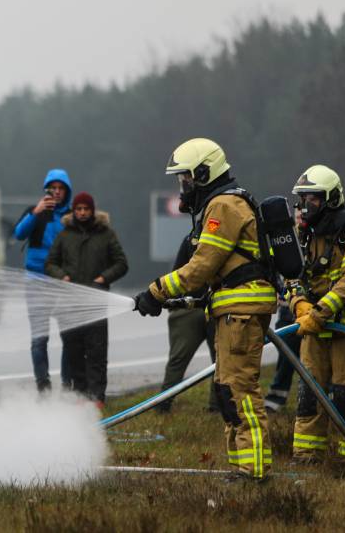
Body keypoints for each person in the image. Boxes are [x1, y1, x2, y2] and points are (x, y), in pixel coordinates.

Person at [134, 138, 277, 481]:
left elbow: (200, 266)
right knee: (228, 391)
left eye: (185, 179)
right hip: (232, 310)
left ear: (203, 173)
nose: (182, 186)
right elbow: (214, 272)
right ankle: (243, 467)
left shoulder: (224, 206)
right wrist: (180, 298)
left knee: (240, 391)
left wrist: (156, 291)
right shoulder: (220, 204)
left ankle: (254, 471)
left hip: (241, 311)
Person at [288, 165, 345, 462]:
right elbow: (294, 274)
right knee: (309, 394)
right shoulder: (308, 231)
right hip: (317, 322)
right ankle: (306, 457)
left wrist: (320, 312)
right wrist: (299, 304)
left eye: (312, 199)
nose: (305, 206)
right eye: (302, 199)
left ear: (330, 198)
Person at [44, 191, 127, 407]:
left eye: (85, 209)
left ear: (92, 211)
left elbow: (121, 263)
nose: (82, 213)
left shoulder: (106, 234)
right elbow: (50, 263)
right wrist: (62, 276)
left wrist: (103, 278)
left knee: (97, 352)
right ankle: (80, 396)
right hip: (69, 305)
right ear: (73, 211)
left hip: (96, 304)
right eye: (78, 209)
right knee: (73, 353)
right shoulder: (64, 236)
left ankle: (98, 396)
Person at [13, 169, 72, 392]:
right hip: (36, 282)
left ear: (67, 192)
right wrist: (36, 213)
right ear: (46, 190)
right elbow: (19, 234)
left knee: (68, 335)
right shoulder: (35, 213)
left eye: (61, 189)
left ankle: (68, 383)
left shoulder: (70, 217)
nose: (57, 193)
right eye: (53, 189)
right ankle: (43, 385)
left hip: (63, 282)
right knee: (39, 338)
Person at [154, 236, 218, 414]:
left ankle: (218, 407)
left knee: (221, 361)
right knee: (178, 360)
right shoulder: (192, 238)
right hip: (193, 309)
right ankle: (163, 405)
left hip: (215, 308)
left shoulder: (208, 236)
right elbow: (178, 271)